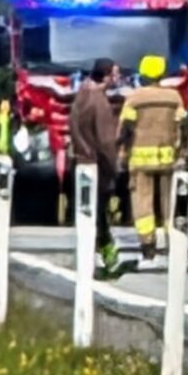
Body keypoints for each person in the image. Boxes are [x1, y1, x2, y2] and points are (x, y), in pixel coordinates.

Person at [119, 54, 188, 263]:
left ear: (142, 74)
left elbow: (126, 130)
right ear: (162, 73)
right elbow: (185, 126)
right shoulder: (173, 98)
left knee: (142, 201)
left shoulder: (134, 99)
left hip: (140, 160)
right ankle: (172, 240)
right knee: (169, 201)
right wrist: (185, 152)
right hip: (167, 158)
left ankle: (148, 244)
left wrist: (122, 154)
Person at [68, 57, 125, 279]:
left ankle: (96, 256)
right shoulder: (99, 101)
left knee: (89, 213)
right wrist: (114, 167)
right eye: (115, 74)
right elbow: (106, 141)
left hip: (80, 162)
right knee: (99, 215)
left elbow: (73, 126)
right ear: (106, 76)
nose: (118, 78)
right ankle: (108, 256)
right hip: (96, 165)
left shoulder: (81, 94)